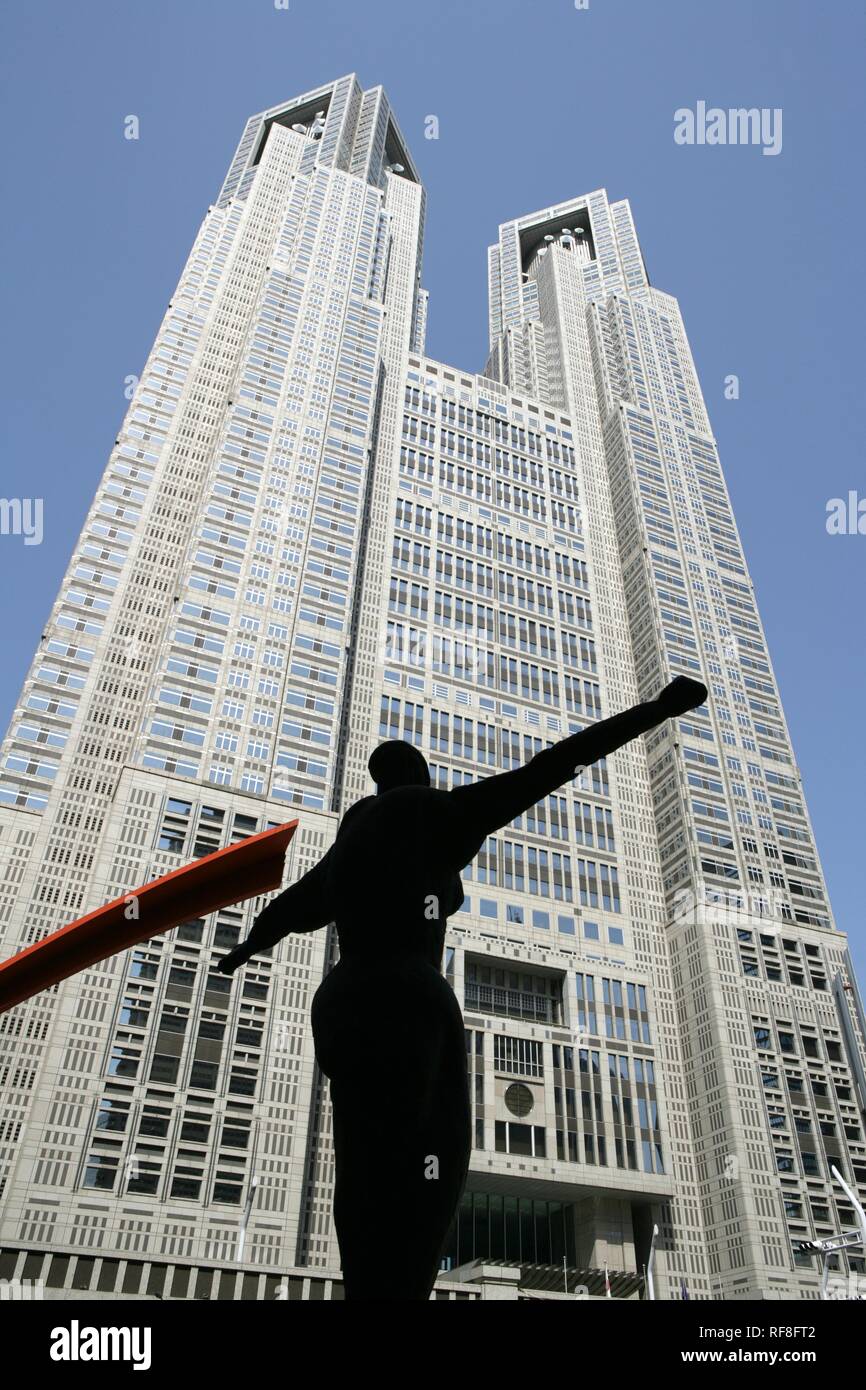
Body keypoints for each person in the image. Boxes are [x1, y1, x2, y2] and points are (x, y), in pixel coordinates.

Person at [219, 673, 707, 1298]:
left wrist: (243, 951)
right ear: (420, 776)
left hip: (342, 999)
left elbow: (284, 913)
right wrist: (657, 710)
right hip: (407, 992)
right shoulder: (437, 811)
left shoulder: (347, 846)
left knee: (362, 1165)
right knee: (435, 1154)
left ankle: (368, 1289)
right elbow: (557, 762)